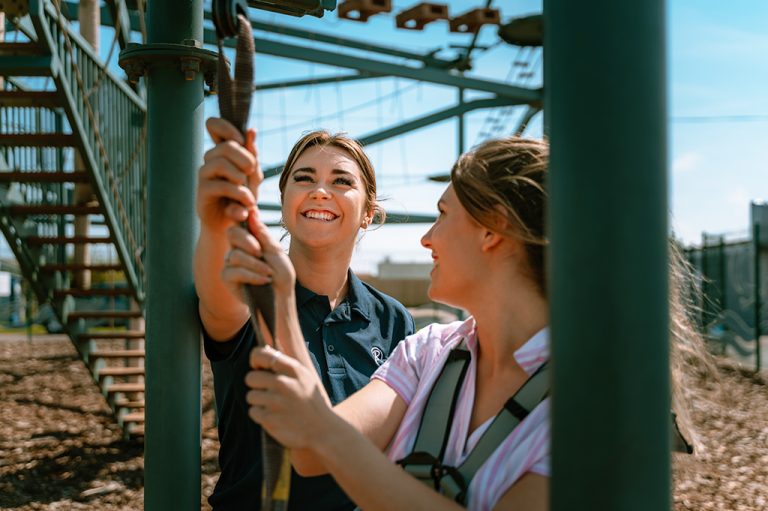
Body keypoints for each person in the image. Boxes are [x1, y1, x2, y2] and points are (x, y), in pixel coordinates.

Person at [231, 136, 707, 510]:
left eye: (441, 215)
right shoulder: (429, 350)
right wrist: (277, 297)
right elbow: (314, 452)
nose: (425, 237)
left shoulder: (592, 407)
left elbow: (323, 437)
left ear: (490, 230)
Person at [194, 118, 415, 511]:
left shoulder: (394, 321)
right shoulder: (251, 293)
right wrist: (216, 225)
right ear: (283, 205)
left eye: (342, 182)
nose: (319, 191)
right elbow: (217, 295)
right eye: (304, 178)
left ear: (368, 212)